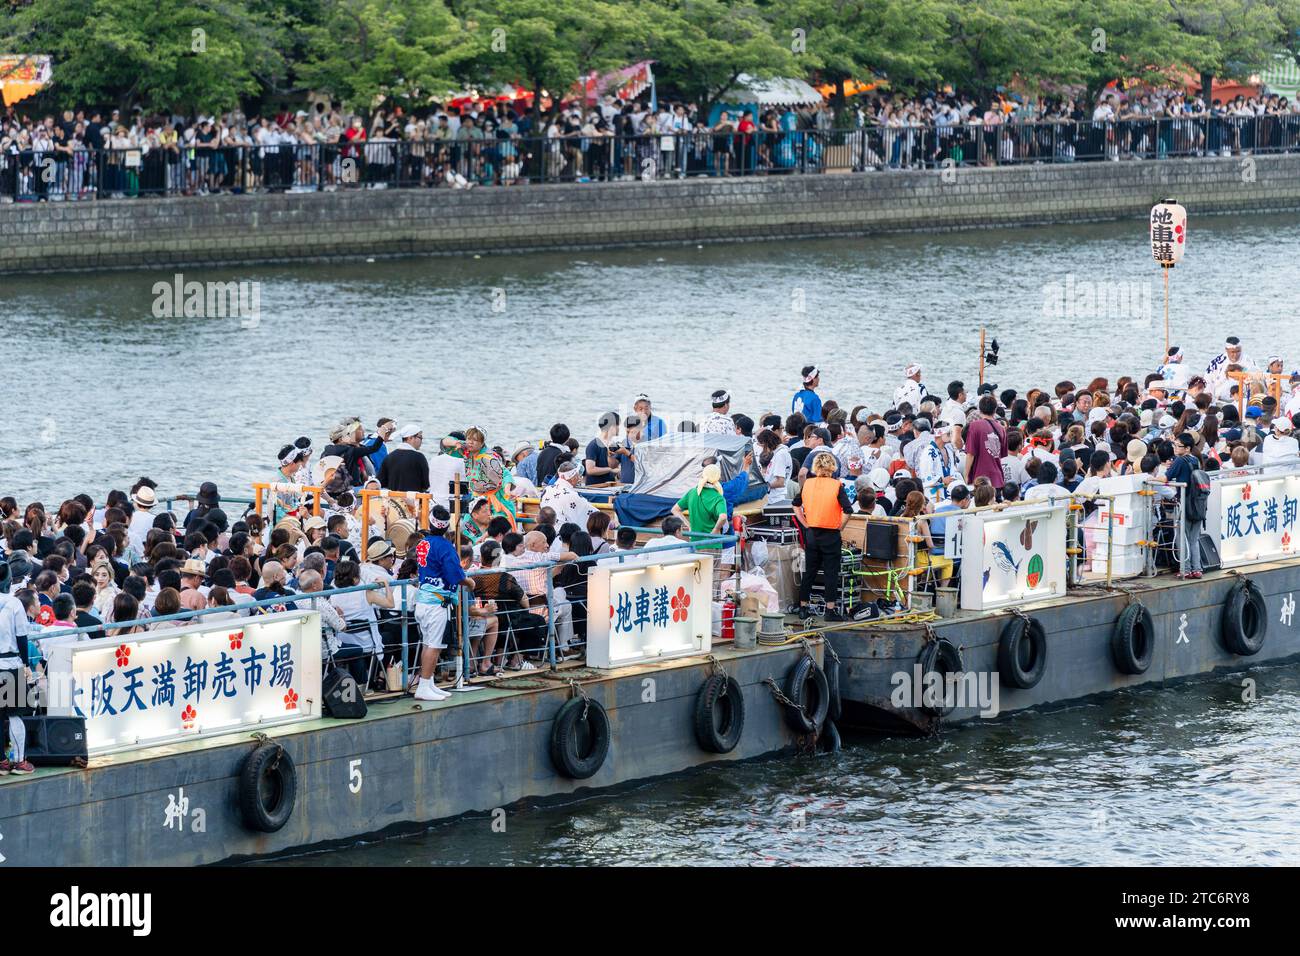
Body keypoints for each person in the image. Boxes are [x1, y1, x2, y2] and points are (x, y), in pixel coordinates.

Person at [412, 506, 474, 701]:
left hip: (423, 600)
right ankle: (423, 686)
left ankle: (428, 683)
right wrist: (470, 582)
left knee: (428, 643)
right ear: (447, 526)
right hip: (436, 603)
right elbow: (455, 575)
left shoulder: (422, 543)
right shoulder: (446, 547)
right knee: (434, 645)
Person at [793, 452, 853, 621]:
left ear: (815, 467)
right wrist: (840, 526)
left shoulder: (808, 484)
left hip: (811, 533)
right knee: (831, 573)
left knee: (809, 571)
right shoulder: (836, 485)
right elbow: (848, 510)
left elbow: (795, 505)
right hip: (831, 534)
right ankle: (830, 610)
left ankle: (803, 607)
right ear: (832, 467)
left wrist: (805, 523)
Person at [1166, 432, 1204, 579]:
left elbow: (1165, 478)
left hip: (1185, 503)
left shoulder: (1180, 461)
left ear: (1187, 448)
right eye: (1174, 445)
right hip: (1198, 504)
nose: (1175, 448)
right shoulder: (1196, 460)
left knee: (1182, 538)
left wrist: (1150, 478)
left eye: (1178, 446)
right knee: (1194, 539)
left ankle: (1185, 569)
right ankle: (1197, 569)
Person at [671, 463, 729, 541]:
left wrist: (689, 525)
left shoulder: (692, 492)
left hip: (694, 541)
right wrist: (715, 531)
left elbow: (674, 510)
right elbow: (723, 517)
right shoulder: (718, 497)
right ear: (718, 477)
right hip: (712, 543)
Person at [964, 394, 1008, 494]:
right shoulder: (1001, 428)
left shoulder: (974, 426)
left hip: (980, 478)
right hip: (998, 478)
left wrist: (966, 475)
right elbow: (1002, 455)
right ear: (995, 409)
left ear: (979, 409)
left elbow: (970, 454)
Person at [377, 424, 430, 492]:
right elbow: (427, 483)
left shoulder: (389, 457)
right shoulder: (419, 457)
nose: (421, 441)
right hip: (413, 500)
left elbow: (381, 482)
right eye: (420, 437)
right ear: (410, 438)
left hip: (392, 500)